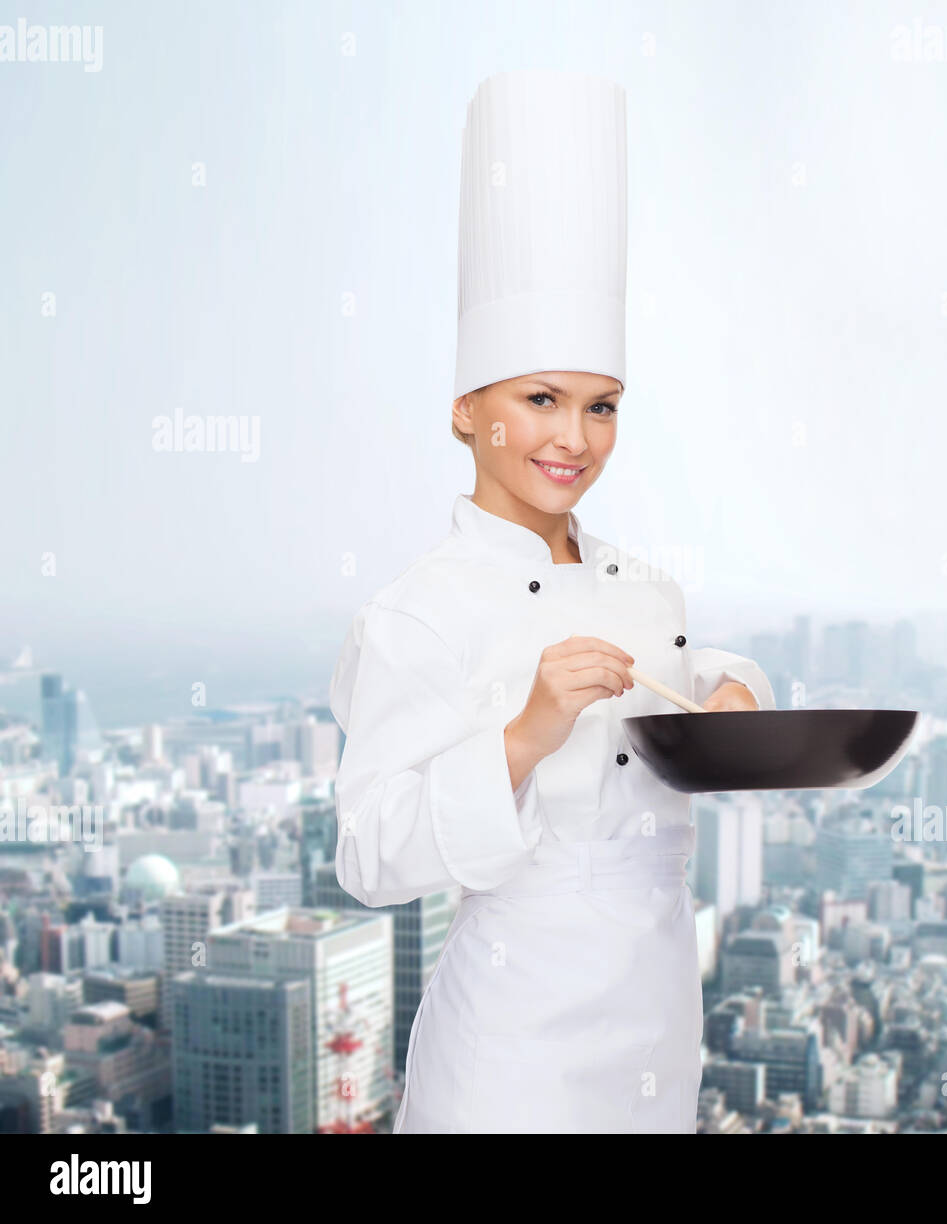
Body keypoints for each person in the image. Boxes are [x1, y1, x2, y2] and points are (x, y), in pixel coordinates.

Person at [329, 70, 774, 1134]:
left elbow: (697, 686)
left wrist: (735, 693)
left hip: (659, 1031)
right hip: (510, 1054)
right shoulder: (417, 611)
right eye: (539, 400)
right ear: (465, 411)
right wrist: (527, 733)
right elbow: (370, 857)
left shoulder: (644, 586)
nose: (573, 439)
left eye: (600, 407)